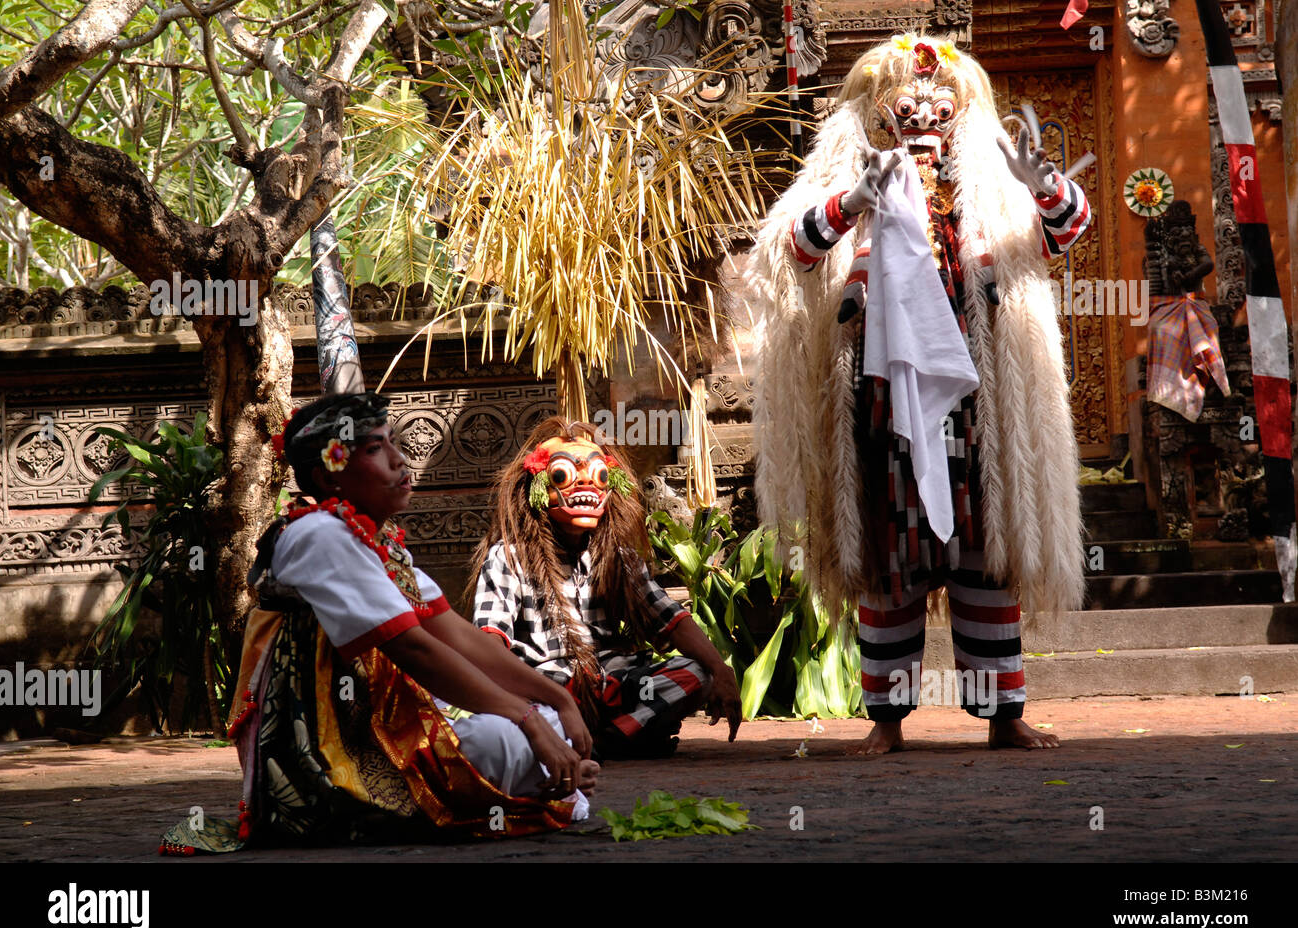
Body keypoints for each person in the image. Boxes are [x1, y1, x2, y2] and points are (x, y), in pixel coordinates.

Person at [744, 34, 1091, 754]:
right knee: (887, 550)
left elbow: (1064, 233)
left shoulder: (990, 194)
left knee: (983, 550)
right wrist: (853, 201)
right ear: (882, 114)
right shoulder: (855, 179)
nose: (925, 118)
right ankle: (887, 719)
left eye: (940, 108)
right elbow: (794, 249)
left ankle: (1004, 713)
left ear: (959, 116)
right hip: (880, 400)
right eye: (909, 107)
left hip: (979, 402)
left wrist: (1043, 184)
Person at [160, 391, 596, 854]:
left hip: (388, 716)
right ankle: (540, 777)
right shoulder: (318, 534)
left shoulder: (376, 537)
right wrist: (527, 719)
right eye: (373, 450)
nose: (399, 461)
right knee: (512, 739)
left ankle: (545, 775)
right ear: (327, 474)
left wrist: (554, 702)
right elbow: (414, 649)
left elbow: (458, 635)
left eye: (392, 443)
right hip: (339, 747)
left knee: (547, 724)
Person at [470, 418, 742, 759]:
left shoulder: (619, 558)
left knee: (695, 675)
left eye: (599, 477)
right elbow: (489, 642)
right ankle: (629, 733)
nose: (586, 487)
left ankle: (609, 739)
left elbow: (670, 619)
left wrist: (721, 670)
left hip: (613, 683)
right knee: (518, 700)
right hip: (548, 687)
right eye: (562, 477)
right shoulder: (510, 557)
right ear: (539, 489)